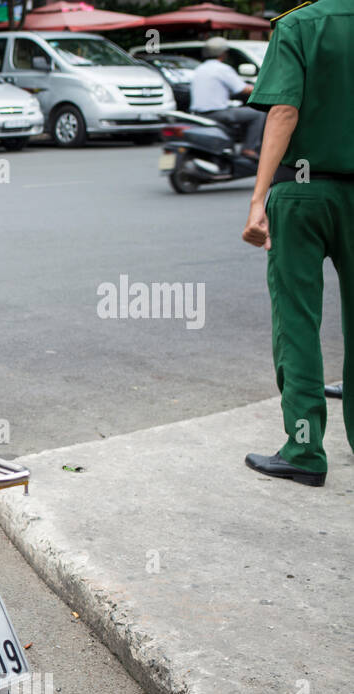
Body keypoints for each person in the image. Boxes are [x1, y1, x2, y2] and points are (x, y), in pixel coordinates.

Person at [241, 0, 354, 487]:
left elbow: (284, 109)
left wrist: (258, 196)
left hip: (302, 193)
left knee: (298, 322)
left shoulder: (300, 24)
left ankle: (305, 452)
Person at [189, 36, 264, 159]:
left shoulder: (199, 69)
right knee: (257, 114)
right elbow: (242, 89)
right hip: (217, 113)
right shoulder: (222, 69)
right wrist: (263, 91)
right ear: (223, 53)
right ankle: (249, 149)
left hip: (197, 114)